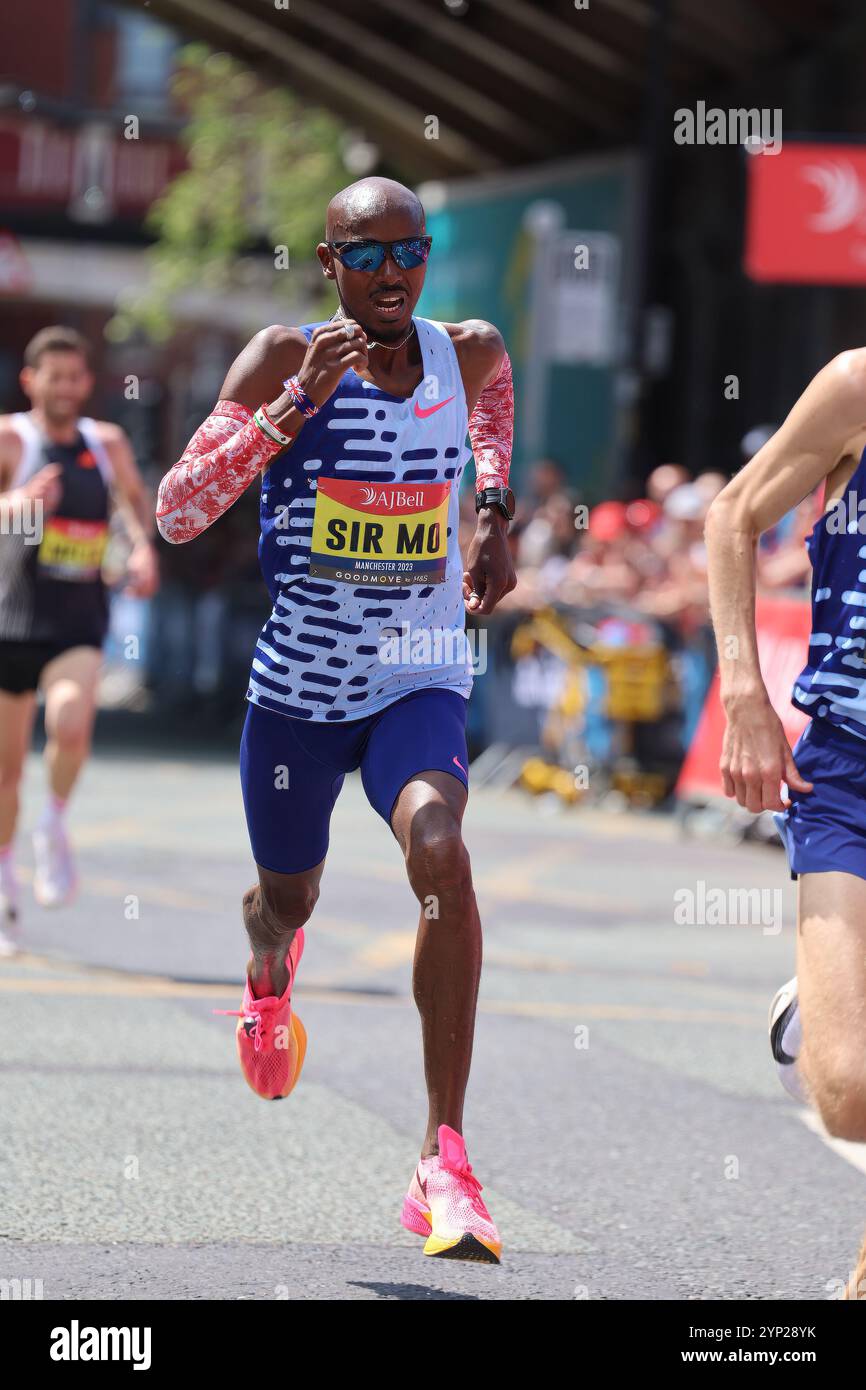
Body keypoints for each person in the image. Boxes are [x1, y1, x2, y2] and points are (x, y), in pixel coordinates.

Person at [156, 177, 516, 1264]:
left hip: (417, 667)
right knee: (286, 894)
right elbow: (178, 511)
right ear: (329, 264)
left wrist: (491, 513)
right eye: (367, 256)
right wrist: (283, 412)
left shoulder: (468, 350)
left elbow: (492, 410)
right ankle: (268, 968)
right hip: (299, 691)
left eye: (409, 252)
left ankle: (441, 1156)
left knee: (440, 847)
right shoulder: (280, 358)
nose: (392, 273)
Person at [705, 349, 866, 1299]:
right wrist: (741, 692)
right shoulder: (854, 385)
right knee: (845, 1095)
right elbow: (733, 515)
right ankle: (811, 1012)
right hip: (849, 769)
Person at [0, 326, 159, 947]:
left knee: (70, 723)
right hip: (11, 620)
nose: (65, 388)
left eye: (75, 377)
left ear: (88, 383)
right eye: (53, 377)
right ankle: (6, 877)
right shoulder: (13, 438)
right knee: (6, 773)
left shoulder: (106, 440)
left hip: (78, 619)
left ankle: (54, 824)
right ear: (31, 381)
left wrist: (141, 550)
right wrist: (16, 503)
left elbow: (131, 504)